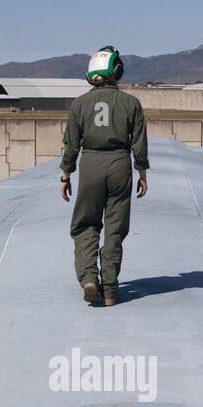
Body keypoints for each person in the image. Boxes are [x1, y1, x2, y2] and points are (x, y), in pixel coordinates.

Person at [59, 46, 149, 306]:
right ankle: (110, 289)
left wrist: (66, 175)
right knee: (115, 228)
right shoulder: (131, 103)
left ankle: (89, 277)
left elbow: (72, 145)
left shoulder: (80, 104)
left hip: (90, 163)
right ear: (117, 71)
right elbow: (139, 143)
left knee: (86, 224)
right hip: (120, 163)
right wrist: (141, 172)